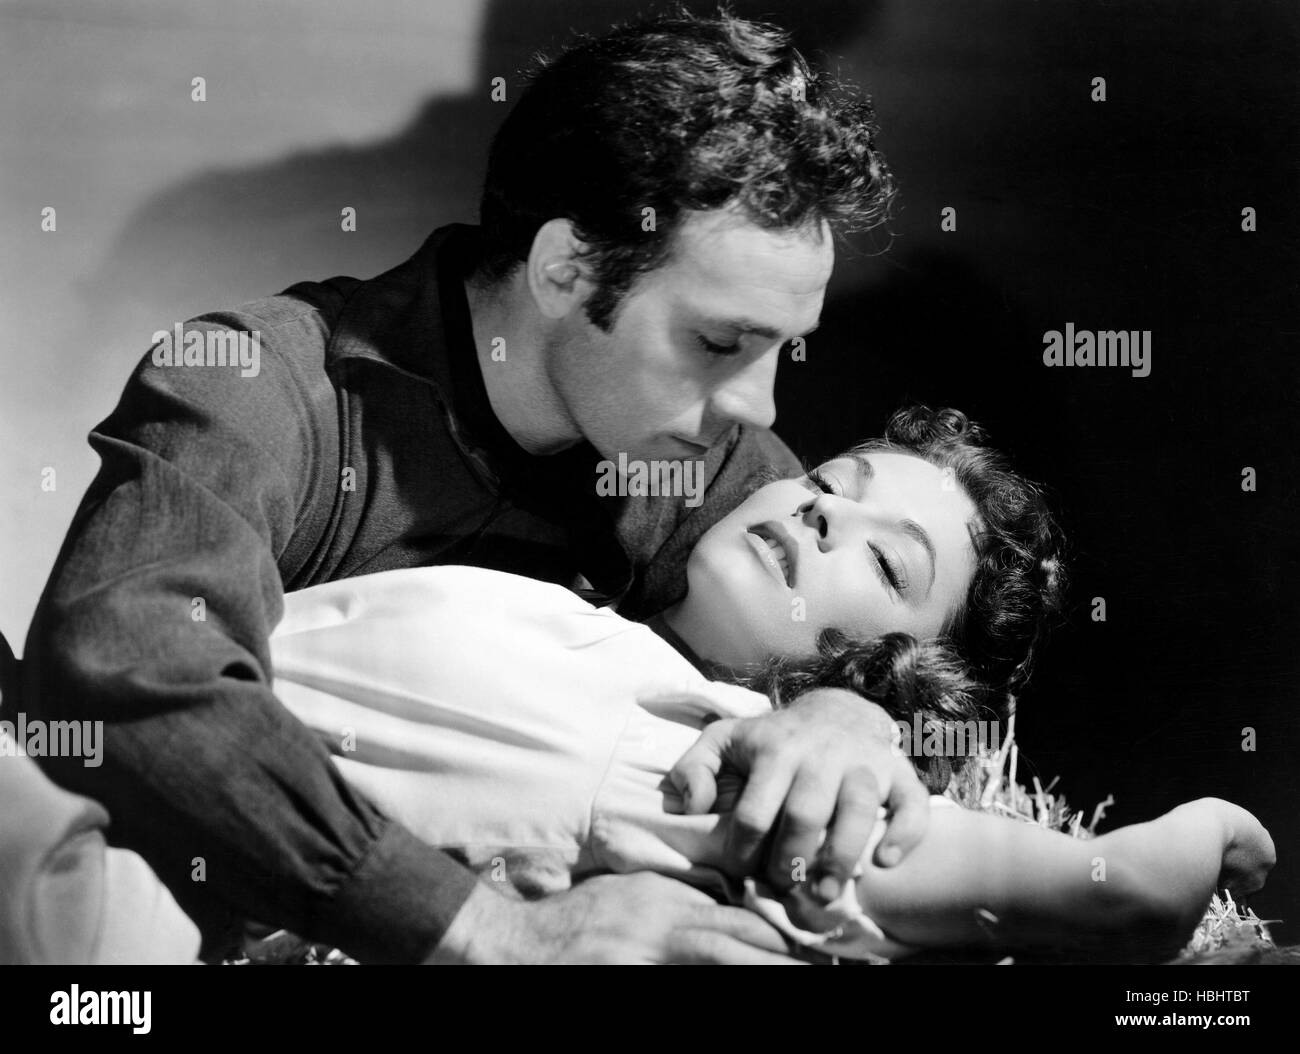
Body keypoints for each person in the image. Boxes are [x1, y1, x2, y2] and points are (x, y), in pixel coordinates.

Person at [20, 11, 921, 964]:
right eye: (718, 342)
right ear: (566, 269)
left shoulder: (710, 457)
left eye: (782, 346)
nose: (761, 406)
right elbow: (132, 676)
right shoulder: (259, 383)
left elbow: (880, 623)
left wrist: (846, 717)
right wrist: (493, 935)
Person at [266, 406, 1274, 962]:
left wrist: (1168, 852)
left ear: (899, 676)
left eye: (890, 568)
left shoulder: (681, 746)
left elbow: (1101, 892)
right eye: (831, 484)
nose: (825, 516)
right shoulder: (587, 605)